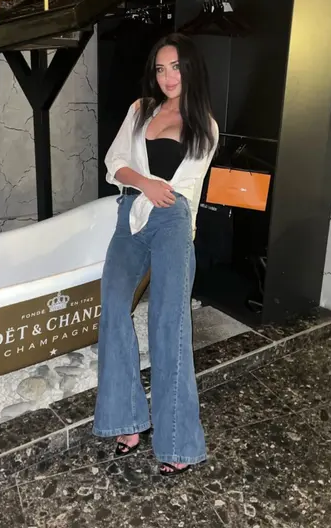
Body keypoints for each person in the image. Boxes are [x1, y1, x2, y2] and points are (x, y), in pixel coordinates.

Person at [93, 33, 219, 476]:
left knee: (169, 323)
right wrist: (144, 182)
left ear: (191, 68)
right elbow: (114, 162)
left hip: (171, 219)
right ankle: (127, 420)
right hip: (130, 213)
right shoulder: (140, 109)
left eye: (176, 67)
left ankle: (177, 441)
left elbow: (185, 189)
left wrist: (157, 193)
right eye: (161, 68)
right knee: (113, 306)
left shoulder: (205, 125)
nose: (168, 77)